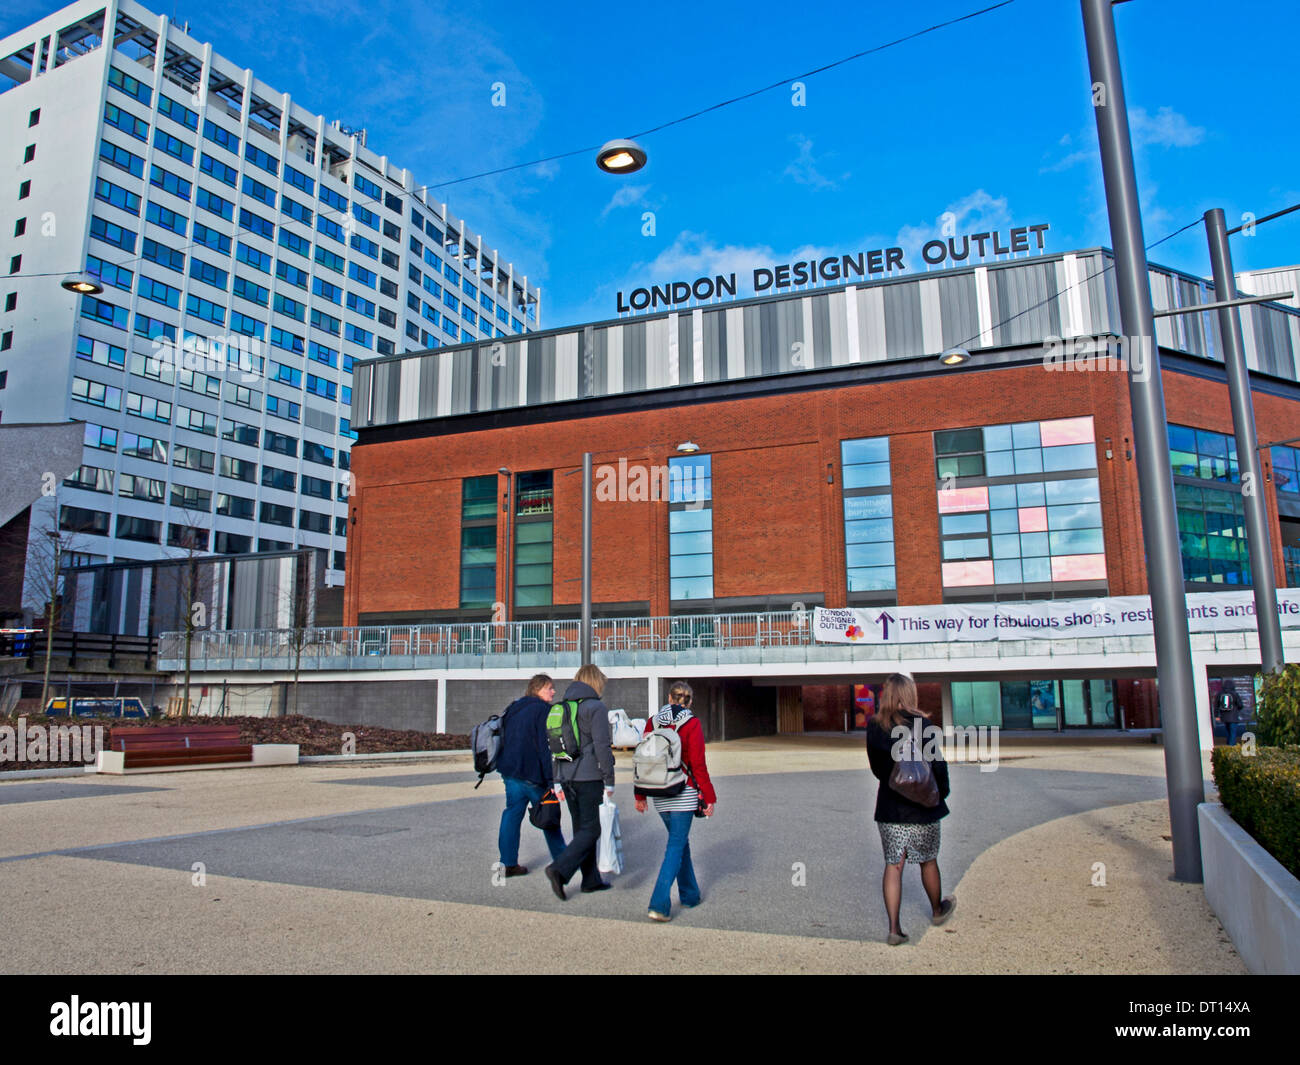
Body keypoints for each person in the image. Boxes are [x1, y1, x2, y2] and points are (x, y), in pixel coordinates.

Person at [865, 673, 955, 946]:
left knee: (894, 866)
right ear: (910, 694)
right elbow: (937, 765)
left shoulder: (875, 726)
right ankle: (938, 910)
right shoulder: (922, 723)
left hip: (891, 808)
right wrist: (942, 793)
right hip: (924, 806)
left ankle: (894, 928)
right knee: (928, 861)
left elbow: (877, 770)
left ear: (887, 694)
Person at [635, 680, 716, 922]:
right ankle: (659, 903)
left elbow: (642, 758)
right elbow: (698, 765)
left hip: (658, 790)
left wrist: (639, 795)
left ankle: (690, 894)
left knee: (680, 843)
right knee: (675, 845)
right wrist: (709, 797)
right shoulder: (692, 723)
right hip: (684, 792)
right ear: (689, 701)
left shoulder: (653, 721)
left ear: (669, 699)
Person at [544, 664, 616, 900]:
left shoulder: (562, 707)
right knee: (592, 829)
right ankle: (559, 869)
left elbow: (554, 747)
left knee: (580, 829)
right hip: (588, 776)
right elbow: (602, 746)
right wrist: (609, 779)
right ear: (595, 682)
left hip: (566, 777)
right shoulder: (596, 708)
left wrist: (556, 780)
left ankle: (590, 880)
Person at [495, 674, 566, 877]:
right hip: (533, 774)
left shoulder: (514, 707)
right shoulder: (543, 710)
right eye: (549, 688)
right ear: (537, 688)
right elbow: (546, 747)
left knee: (512, 814)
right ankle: (562, 865)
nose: (553, 692)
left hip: (511, 771)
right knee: (549, 816)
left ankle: (507, 863)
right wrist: (552, 780)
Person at [1218, 680, 1246, 744]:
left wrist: (1217, 715)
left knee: (1228, 732)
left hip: (1224, 717)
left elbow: (1217, 705)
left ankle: (1228, 745)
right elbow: (1240, 705)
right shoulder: (1235, 694)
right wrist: (1237, 709)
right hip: (1233, 716)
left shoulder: (1220, 694)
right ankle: (1231, 746)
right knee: (1233, 732)